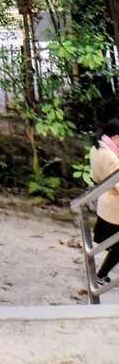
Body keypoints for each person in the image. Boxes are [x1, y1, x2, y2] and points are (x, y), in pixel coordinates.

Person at [88, 117, 119, 285]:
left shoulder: (98, 147)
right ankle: (100, 275)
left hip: (106, 202)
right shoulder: (111, 157)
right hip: (114, 207)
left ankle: (100, 273)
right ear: (115, 137)